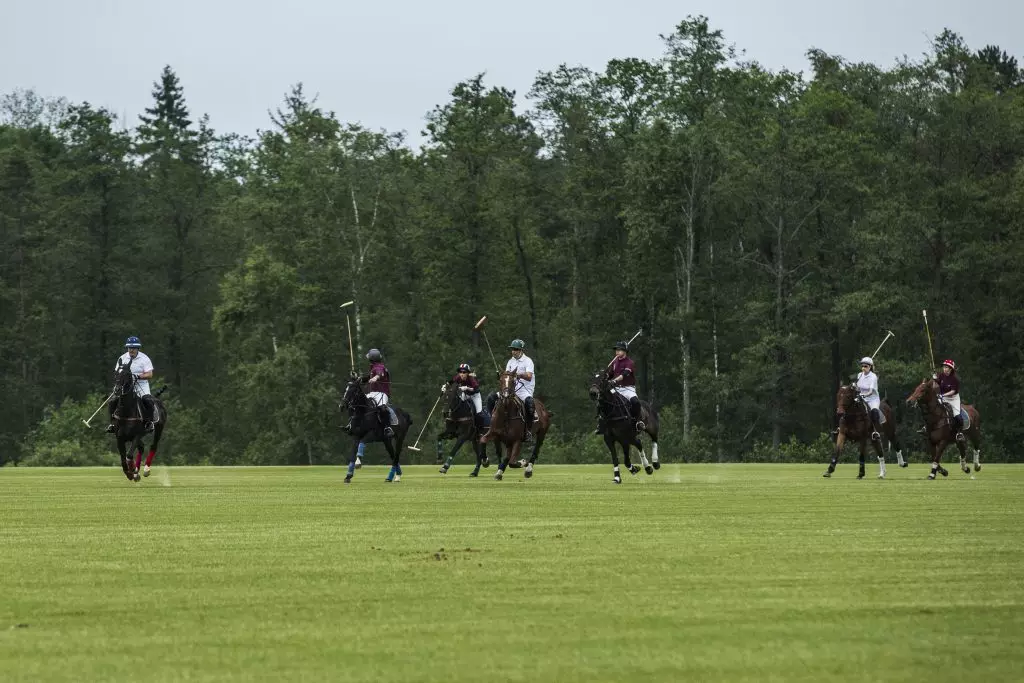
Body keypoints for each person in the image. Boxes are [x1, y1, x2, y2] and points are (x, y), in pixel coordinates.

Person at [488, 339, 536, 442]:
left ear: (521, 350)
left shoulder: (528, 361)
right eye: (512, 349)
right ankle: (491, 423)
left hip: (524, 389)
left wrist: (517, 374)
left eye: (516, 349)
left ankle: (528, 430)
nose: (513, 351)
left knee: (530, 403)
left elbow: (529, 376)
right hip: (510, 389)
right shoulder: (511, 361)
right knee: (491, 398)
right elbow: (506, 376)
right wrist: (501, 375)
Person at [106, 336, 156, 433]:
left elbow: (150, 374)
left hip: (141, 384)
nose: (131, 350)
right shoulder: (122, 358)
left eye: (133, 348)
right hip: (125, 385)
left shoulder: (144, 359)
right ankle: (112, 423)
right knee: (113, 401)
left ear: (138, 348)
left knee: (148, 401)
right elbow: (117, 372)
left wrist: (138, 376)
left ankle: (149, 423)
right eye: (129, 348)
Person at [596, 340, 644, 434]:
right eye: (616, 350)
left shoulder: (629, 362)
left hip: (628, 389)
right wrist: (604, 375)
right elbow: (610, 374)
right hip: (616, 389)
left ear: (625, 351)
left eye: (619, 350)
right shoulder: (614, 362)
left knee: (635, 402)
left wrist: (614, 380)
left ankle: (638, 422)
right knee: (603, 400)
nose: (617, 352)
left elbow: (625, 374)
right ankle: (601, 424)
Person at [360, 348, 398, 437]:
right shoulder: (373, 368)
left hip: (382, 393)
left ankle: (387, 428)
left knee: (382, 408)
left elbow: (380, 374)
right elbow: (366, 379)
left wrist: (375, 378)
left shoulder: (380, 367)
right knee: (360, 402)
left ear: (372, 358)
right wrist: (357, 378)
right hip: (372, 393)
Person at [855, 356, 883, 441]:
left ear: (870, 367)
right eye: (862, 366)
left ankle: (875, 431)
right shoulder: (859, 375)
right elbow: (858, 388)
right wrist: (855, 387)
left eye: (866, 366)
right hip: (861, 397)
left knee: (874, 411)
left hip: (872, 399)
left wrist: (863, 395)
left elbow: (870, 391)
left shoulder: (873, 376)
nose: (863, 368)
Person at [938, 359, 964, 442]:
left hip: (953, 398)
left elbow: (952, 391)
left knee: (957, 416)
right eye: (944, 367)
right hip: (942, 397)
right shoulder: (941, 375)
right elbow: (937, 384)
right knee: (932, 408)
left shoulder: (954, 379)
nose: (944, 369)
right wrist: (934, 378)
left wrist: (942, 395)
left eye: (946, 367)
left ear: (951, 369)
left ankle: (959, 433)